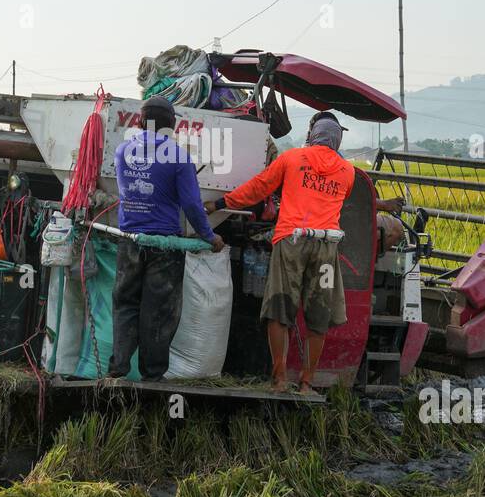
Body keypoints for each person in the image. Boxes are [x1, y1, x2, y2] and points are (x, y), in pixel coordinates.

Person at [206, 111, 354, 394]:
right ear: (336, 139)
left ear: (313, 135)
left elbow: (259, 188)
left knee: (280, 310)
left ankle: (279, 379)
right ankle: (307, 383)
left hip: (292, 243)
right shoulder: (347, 172)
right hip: (326, 249)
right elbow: (341, 197)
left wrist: (222, 202)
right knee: (319, 314)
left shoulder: (292, 158)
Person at [109, 96, 224, 381]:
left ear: (139, 121)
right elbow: (193, 207)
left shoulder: (123, 151)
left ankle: (117, 371)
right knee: (158, 312)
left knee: (125, 306)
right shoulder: (178, 157)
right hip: (164, 247)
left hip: (130, 241)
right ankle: (152, 377)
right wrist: (210, 237)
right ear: (171, 125)